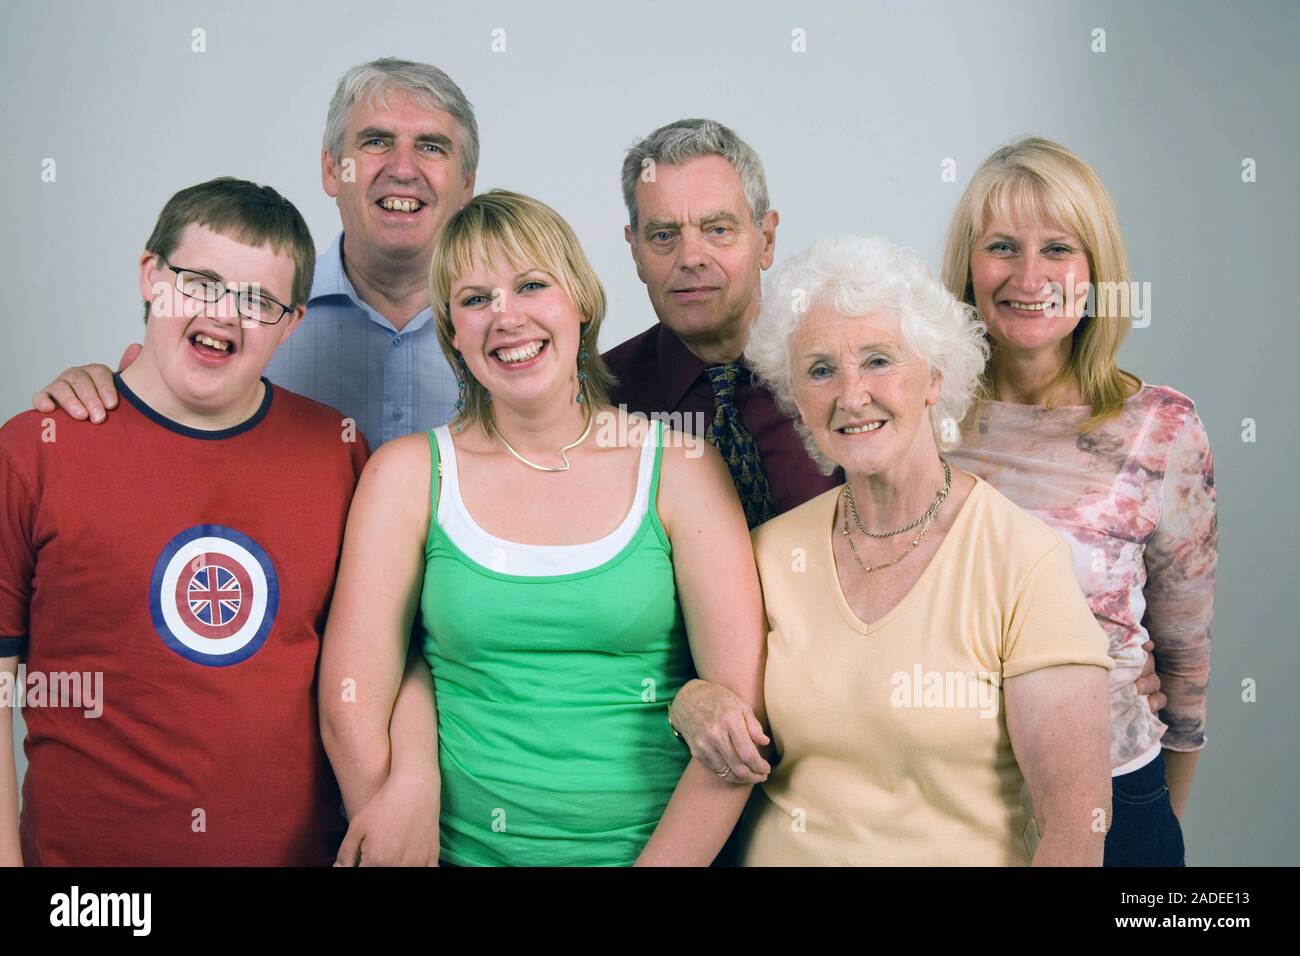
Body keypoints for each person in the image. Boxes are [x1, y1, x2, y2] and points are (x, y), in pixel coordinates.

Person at [319, 190, 767, 865]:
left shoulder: (680, 464)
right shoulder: (406, 475)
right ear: (452, 334)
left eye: (531, 285)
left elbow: (738, 729)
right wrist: (398, 833)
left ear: (580, 304)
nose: (507, 318)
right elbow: (352, 702)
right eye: (475, 300)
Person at [0, 178, 367, 865]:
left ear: (291, 324)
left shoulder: (336, 450)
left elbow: (377, 662)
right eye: (199, 283)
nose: (225, 315)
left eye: (259, 300)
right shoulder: (32, 451)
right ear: (150, 276)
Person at [736, 235, 1115, 865]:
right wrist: (691, 704)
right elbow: (718, 710)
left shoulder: (1022, 559)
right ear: (797, 399)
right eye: (821, 370)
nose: (852, 395)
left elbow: (1074, 831)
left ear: (934, 376)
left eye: (880, 360)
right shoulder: (768, 554)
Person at [939, 137, 1216, 866]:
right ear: (968, 268)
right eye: (1002, 246)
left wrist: (1151, 823)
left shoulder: (1162, 428)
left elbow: (1185, 664)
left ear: (1096, 270)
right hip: (951, 799)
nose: (1030, 277)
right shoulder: (916, 417)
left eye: (1058, 248)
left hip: (1118, 794)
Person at [31, 57, 478, 445]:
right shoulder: (258, 316)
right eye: (376, 141)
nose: (402, 168)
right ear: (330, 170)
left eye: (431, 146)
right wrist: (95, 397)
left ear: (466, 184)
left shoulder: (511, 334)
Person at [604, 119, 839, 530]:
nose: (690, 257)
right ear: (636, 251)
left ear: (765, 239)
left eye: (718, 230)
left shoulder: (841, 376)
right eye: (663, 235)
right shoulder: (598, 399)